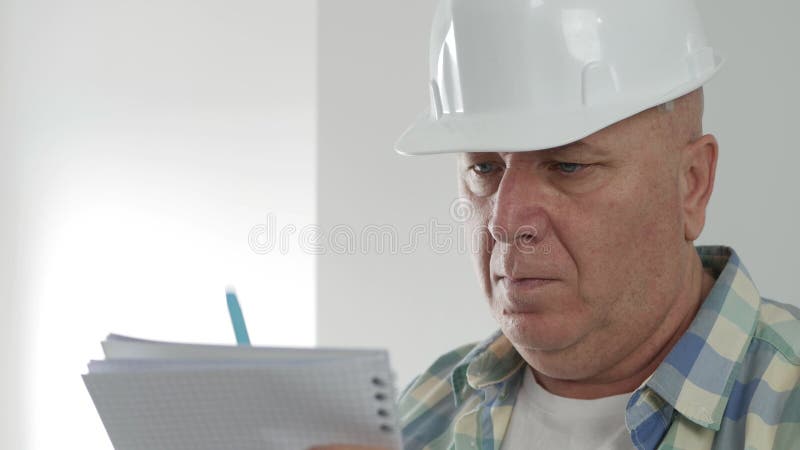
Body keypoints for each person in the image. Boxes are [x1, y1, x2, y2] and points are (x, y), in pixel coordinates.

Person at [313, 0, 800, 449]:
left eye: (568, 166)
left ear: (691, 183)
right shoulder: (424, 412)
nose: (505, 223)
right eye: (485, 168)